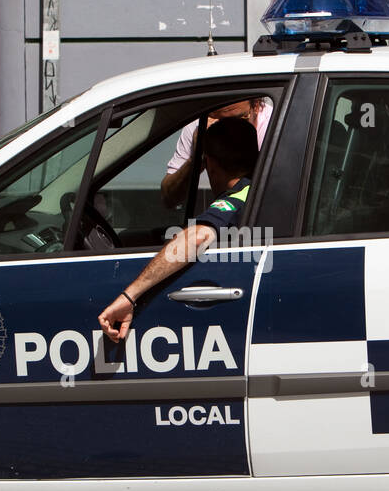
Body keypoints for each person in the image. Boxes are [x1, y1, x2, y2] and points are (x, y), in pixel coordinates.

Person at [99, 116, 258, 343]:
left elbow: (198, 236)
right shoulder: (255, 191)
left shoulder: (237, 198)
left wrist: (129, 295)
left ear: (210, 165)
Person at [160, 96, 272, 207]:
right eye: (221, 122)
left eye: (239, 120)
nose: (230, 130)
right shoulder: (200, 126)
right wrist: (194, 160)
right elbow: (169, 198)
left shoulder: (273, 127)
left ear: (256, 106)